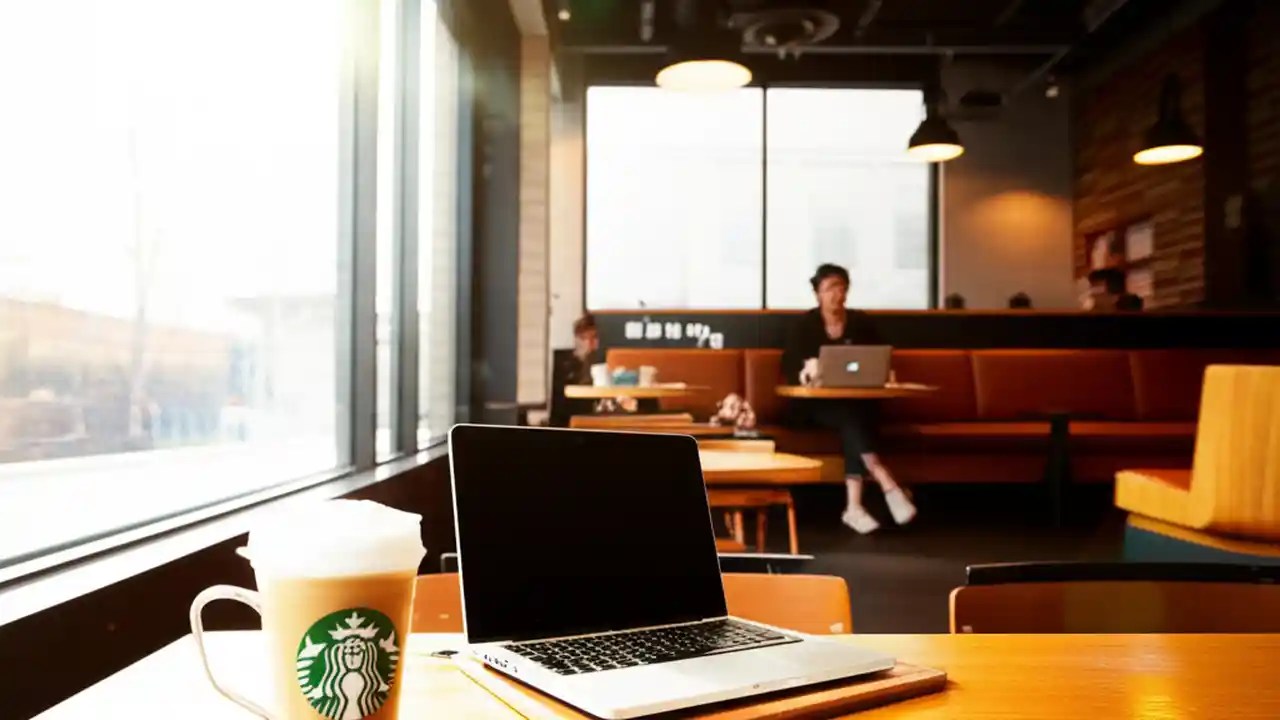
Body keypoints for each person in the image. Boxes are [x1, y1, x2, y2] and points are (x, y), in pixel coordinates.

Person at [781, 263, 916, 534]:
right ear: (817, 293)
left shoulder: (861, 322)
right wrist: (808, 371)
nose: (837, 294)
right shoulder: (804, 326)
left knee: (853, 418)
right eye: (830, 288)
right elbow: (790, 367)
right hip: (812, 408)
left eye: (842, 287)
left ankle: (855, 507)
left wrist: (885, 371)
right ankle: (884, 480)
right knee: (854, 418)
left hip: (855, 406)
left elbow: (880, 356)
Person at [550, 314, 601, 426]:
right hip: (566, 421)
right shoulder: (562, 364)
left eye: (594, 338)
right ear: (576, 339)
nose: (590, 343)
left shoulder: (599, 364)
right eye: (584, 338)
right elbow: (562, 401)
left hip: (590, 418)